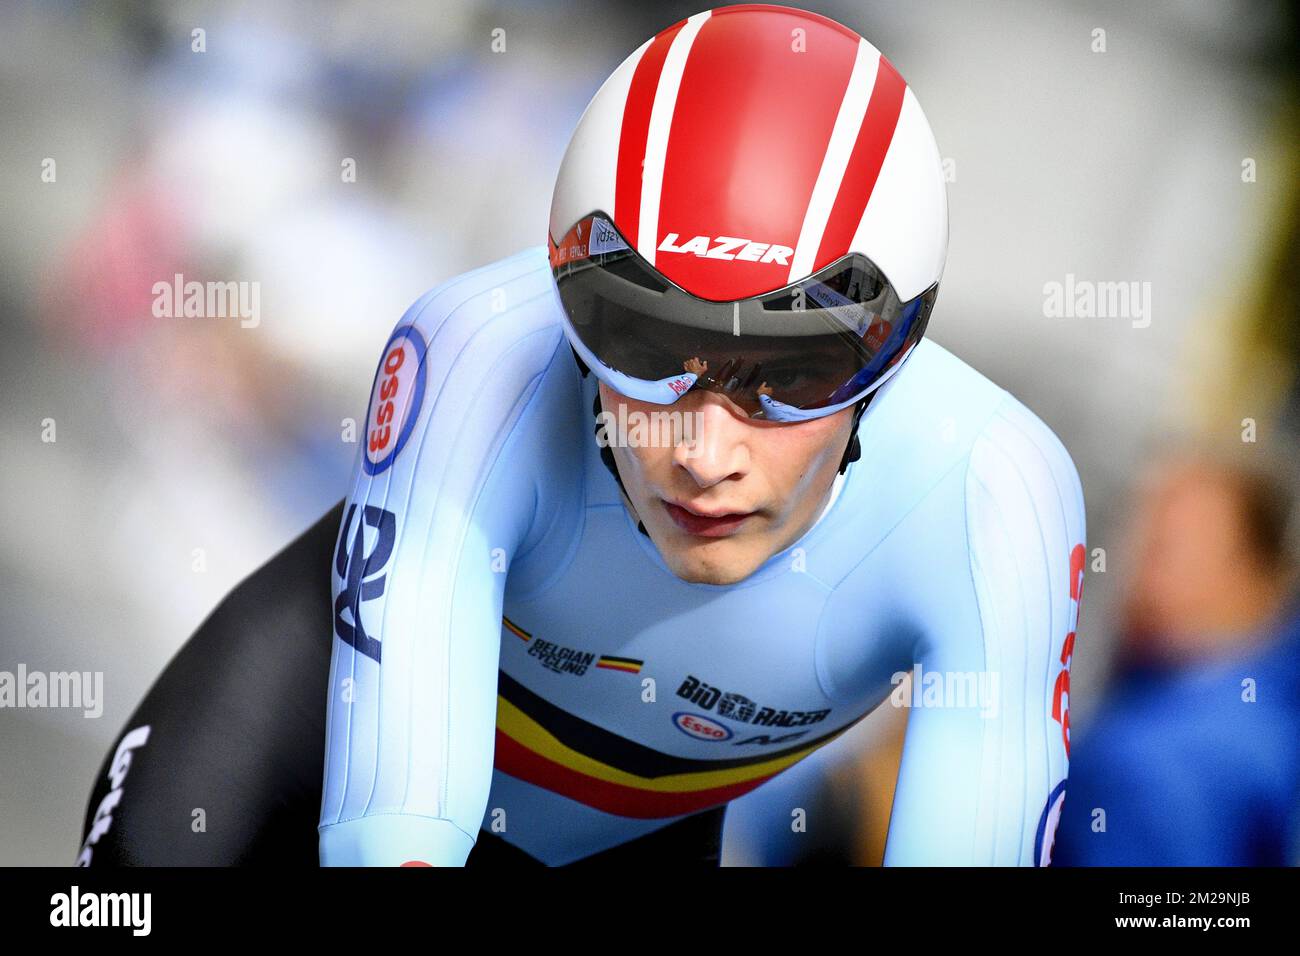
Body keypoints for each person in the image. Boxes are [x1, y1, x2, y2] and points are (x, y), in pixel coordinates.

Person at [80, 4, 1085, 868]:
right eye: (643, 347)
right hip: (312, 733)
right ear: (571, 310)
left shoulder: (996, 493)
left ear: (895, 349)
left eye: (789, 375)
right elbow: (397, 827)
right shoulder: (480, 346)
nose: (700, 451)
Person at [1053, 451, 1300, 866]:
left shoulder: (1152, 765)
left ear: (1248, 571)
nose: (1136, 577)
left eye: (1164, 550)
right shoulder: (1269, 710)